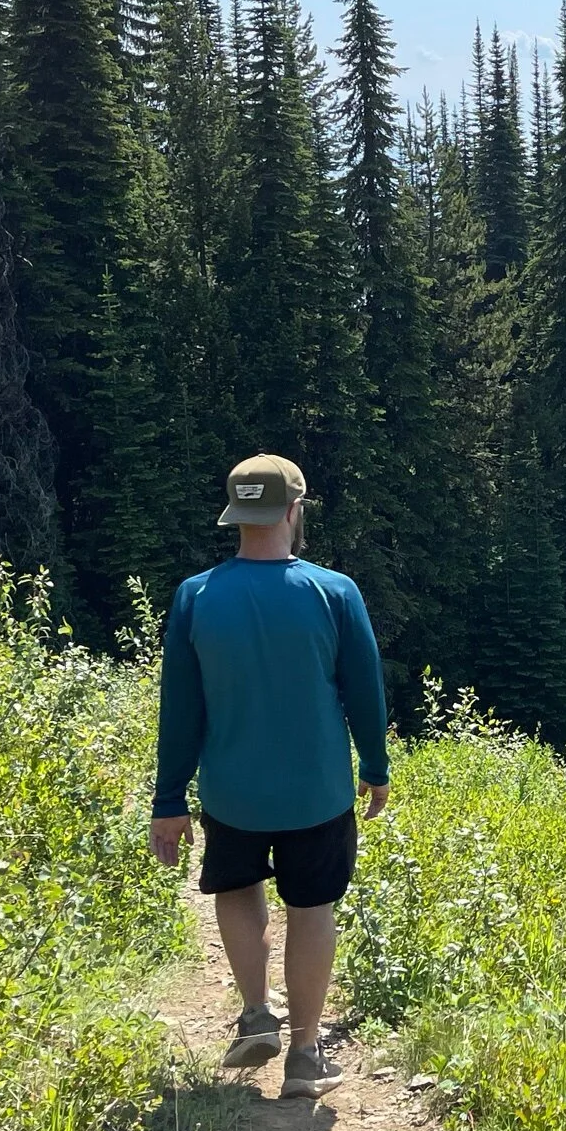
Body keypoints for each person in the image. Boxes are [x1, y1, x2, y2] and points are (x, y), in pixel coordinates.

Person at [151, 454, 389, 1097]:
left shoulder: (196, 595)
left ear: (238, 515)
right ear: (294, 511)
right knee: (312, 909)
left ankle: (257, 1015)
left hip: (231, 792)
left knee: (238, 889)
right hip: (318, 792)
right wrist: (375, 766)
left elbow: (181, 708)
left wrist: (169, 798)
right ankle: (306, 1054)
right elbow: (365, 691)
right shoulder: (334, 593)